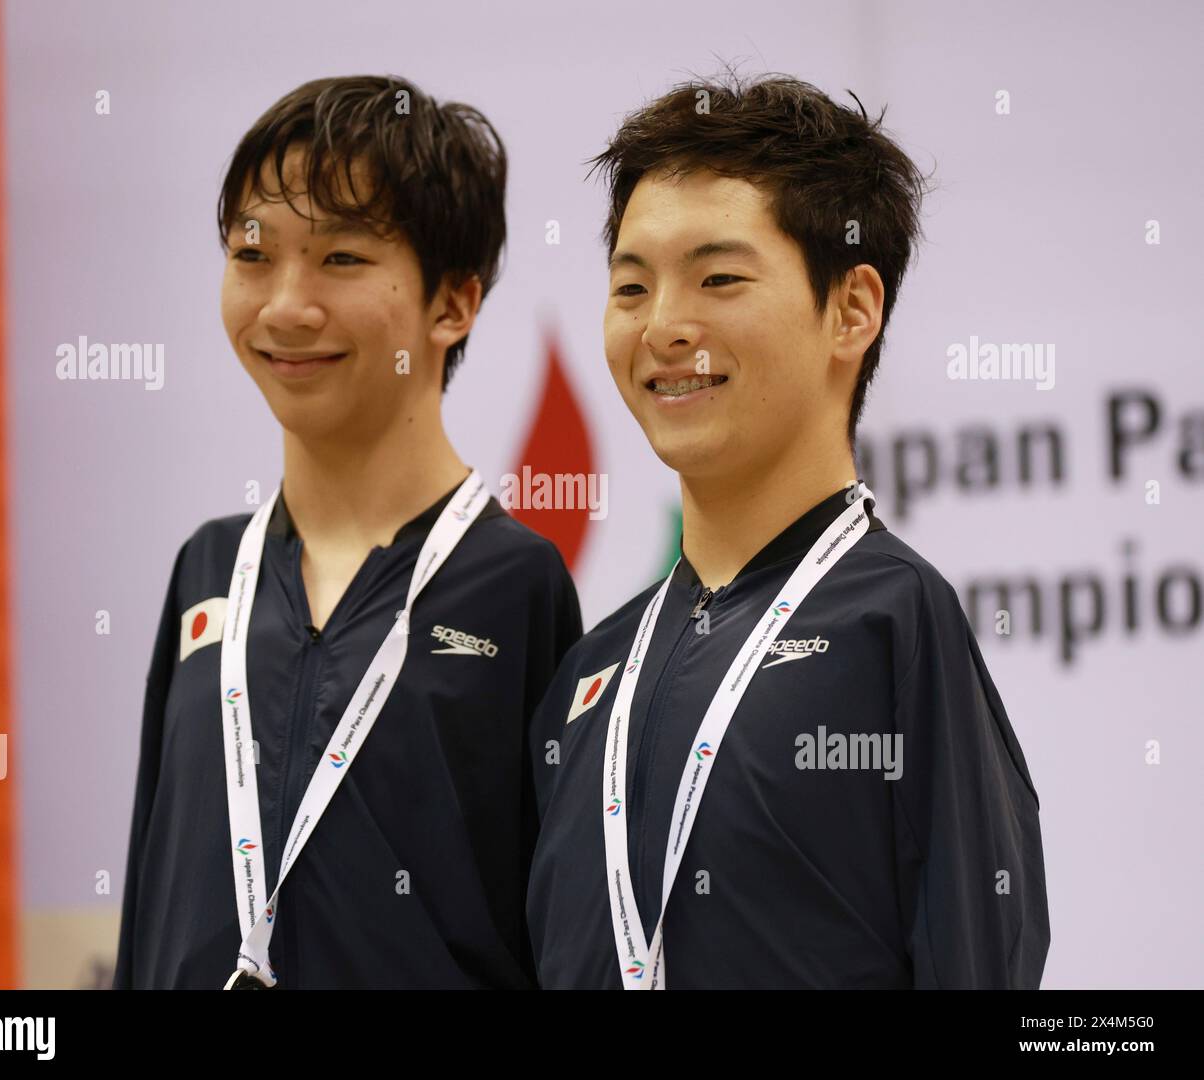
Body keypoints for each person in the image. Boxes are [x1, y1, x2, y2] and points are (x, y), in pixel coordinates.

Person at [526, 72, 1050, 989]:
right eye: (631, 286)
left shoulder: (892, 620)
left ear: (852, 310)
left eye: (719, 278)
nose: (664, 327)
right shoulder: (591, 672)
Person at [113, 75, 582, 989]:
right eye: (253, 254)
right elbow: (149, 900)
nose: (285, 305)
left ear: (453, 303)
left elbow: (557, 932)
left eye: (340, 259)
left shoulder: (517, 588)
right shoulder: (210, 571)